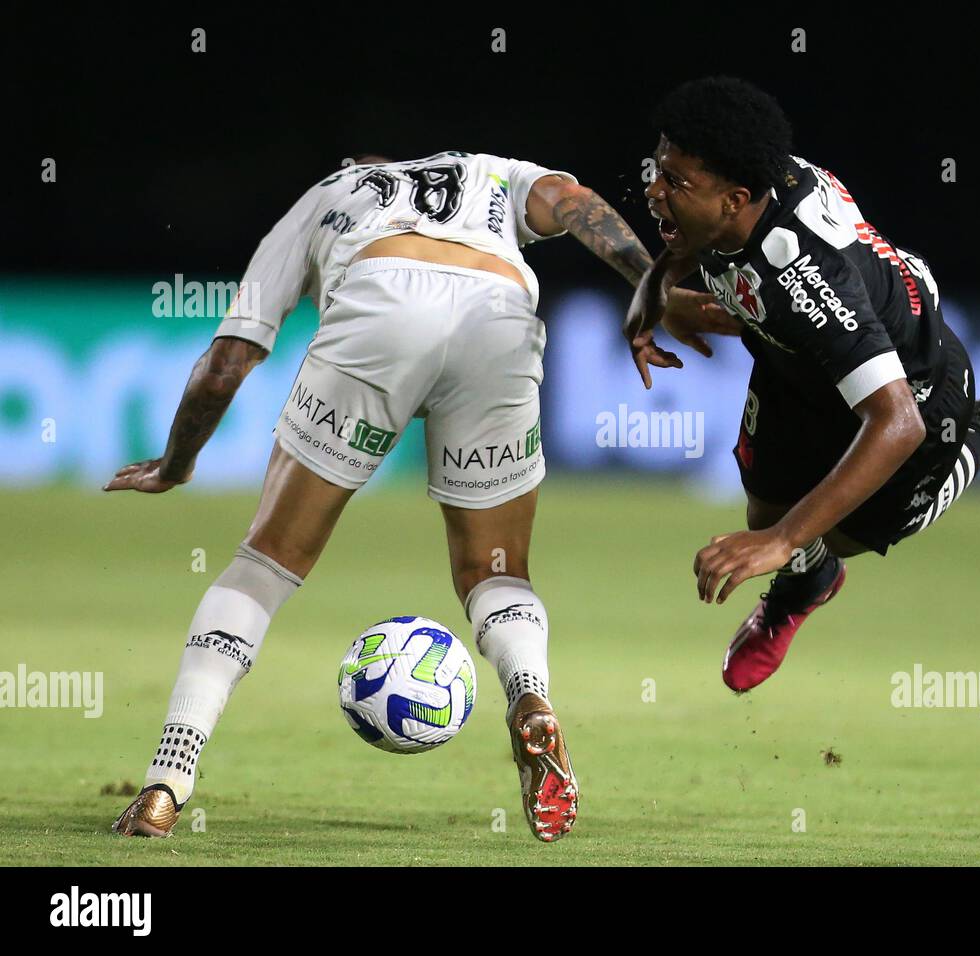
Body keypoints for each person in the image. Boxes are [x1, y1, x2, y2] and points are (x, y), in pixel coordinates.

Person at [106, 150, 721, 842]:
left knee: (265, 564)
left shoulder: (329, 193)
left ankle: (167, 778)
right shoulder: (490, 170)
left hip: (379, 306)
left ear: (359, 169)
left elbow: (225, 365)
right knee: (496, 573)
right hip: (498, 314)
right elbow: (577, 206)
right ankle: (528, 694)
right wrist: (653, 287)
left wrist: (177, 462)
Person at [625, 78, 980, 692]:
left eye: (675, 183)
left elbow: (897, 423)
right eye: (657, 172)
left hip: (918, 392)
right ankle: (807, 581)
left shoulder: (802, 276)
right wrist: (656, 301)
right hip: (802, 365)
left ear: (736, 198)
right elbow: (690, 238)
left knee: (829, 531)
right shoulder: (746, 187)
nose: (655, 193)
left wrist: (784, 542)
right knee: (765, 510)